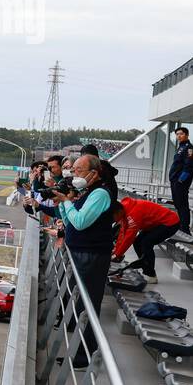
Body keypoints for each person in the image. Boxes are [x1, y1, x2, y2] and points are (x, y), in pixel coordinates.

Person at [53, 154, 115, 368]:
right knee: (80, 304)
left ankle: (84, 357)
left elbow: (79, 223)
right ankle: (80, 353)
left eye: (78, 170)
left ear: (94, 173)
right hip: (81, 253)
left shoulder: (99, 193)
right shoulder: (86, 191)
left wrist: (67, 202)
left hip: (92, 256)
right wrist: (63, 203)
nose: (73, 174)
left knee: (87, 306)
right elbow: (70, 221)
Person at [113, 196, 180, 283]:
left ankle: (150, 274)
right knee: (137, 242)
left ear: (118, 212)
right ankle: (145, 266)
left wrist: (118, 254)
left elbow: (129, 237)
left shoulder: (133, 213)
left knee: (146, 242)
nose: (114, 220)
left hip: (170, 222)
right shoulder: (124, 210)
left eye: (113, 217)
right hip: (156, 224)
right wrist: (116, 251)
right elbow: (123, 233)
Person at [170, 127, 193, 235]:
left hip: (181, 182)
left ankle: (185, 228)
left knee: (183, 204)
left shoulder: (189, 148)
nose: (178, 136)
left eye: (181, 134)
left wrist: (181, 180)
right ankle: (181, 225)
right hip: (175, 180)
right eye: (177, 134)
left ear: (187, 135)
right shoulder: (181, 147)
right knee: (178, 204)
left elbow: (189, 166)